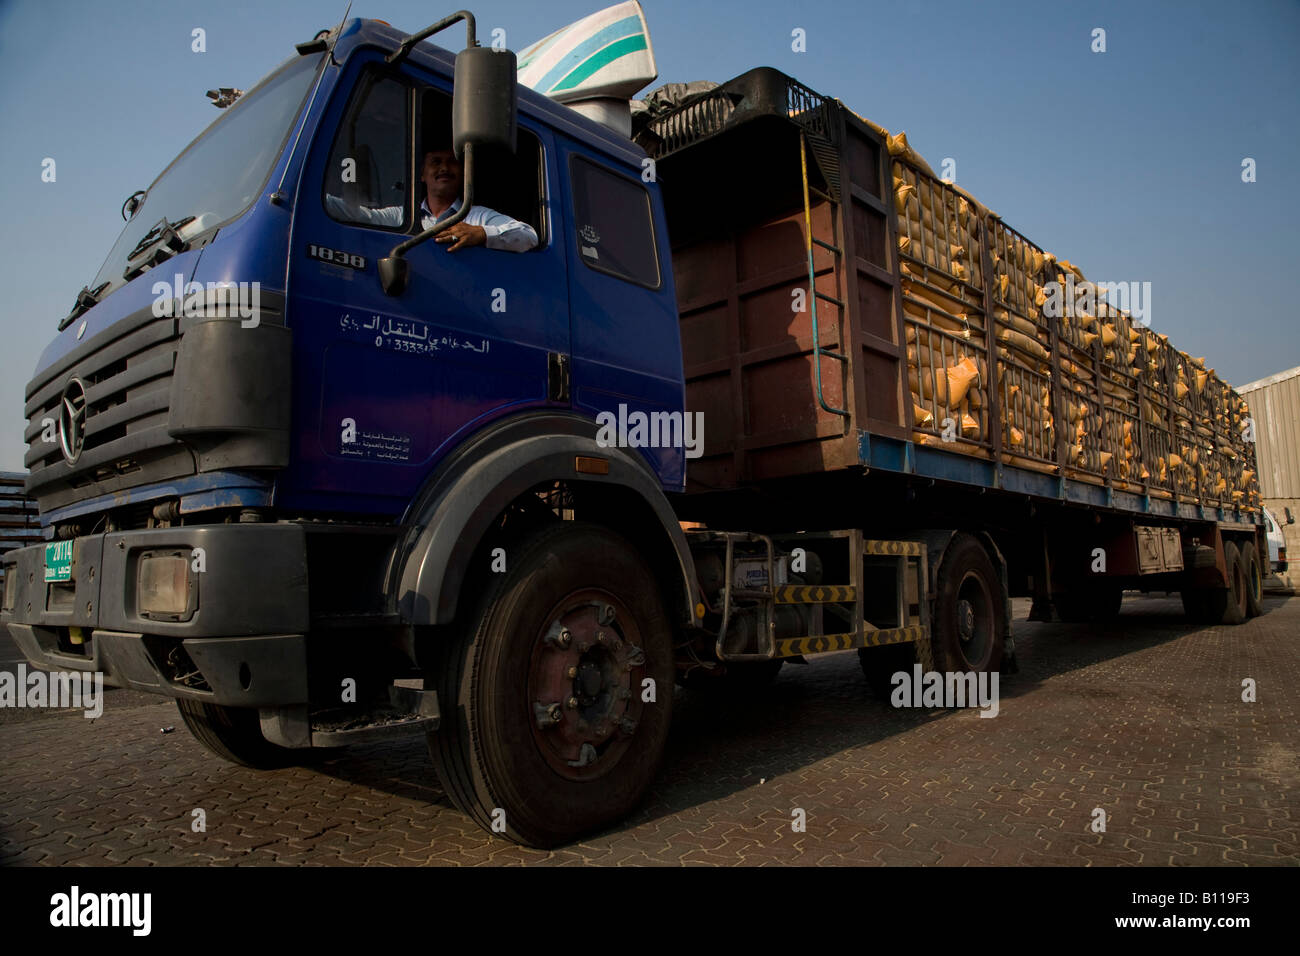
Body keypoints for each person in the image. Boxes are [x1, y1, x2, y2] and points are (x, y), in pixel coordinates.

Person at [325, 146, 538, 253]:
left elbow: (529, 235)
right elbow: (360, 215)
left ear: (464, 173)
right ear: (422, 175)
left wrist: (481, 233)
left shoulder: (477, 216)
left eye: (452, 162)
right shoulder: (402, 216)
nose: (444, 168)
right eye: (436, 162)